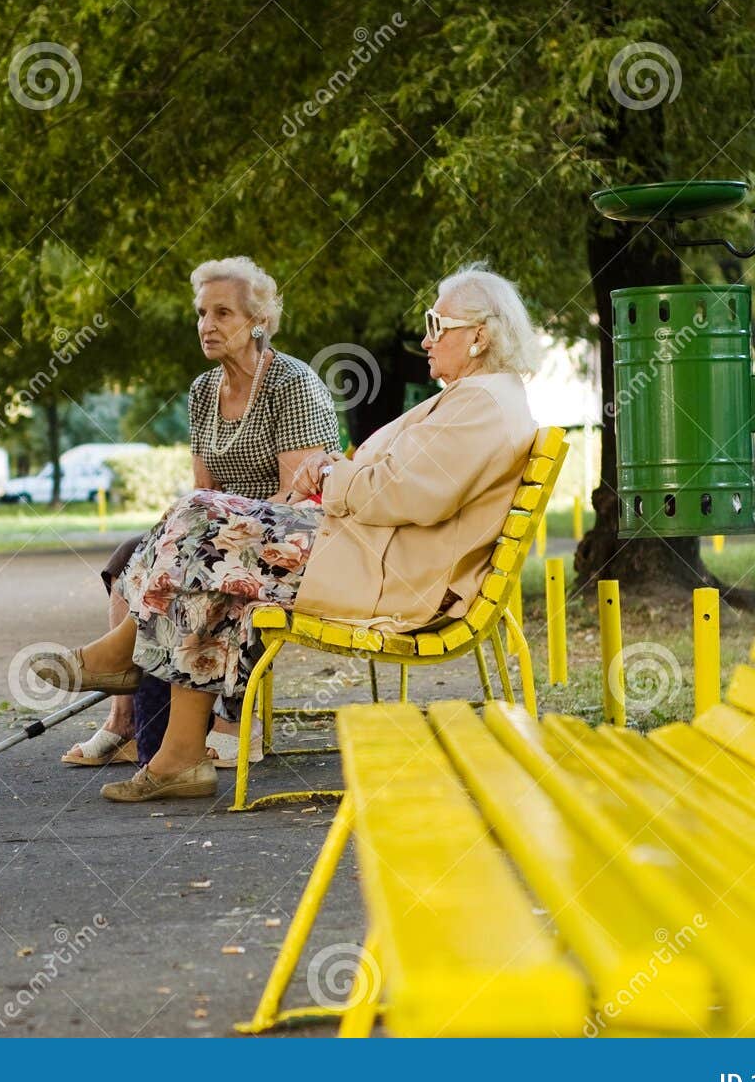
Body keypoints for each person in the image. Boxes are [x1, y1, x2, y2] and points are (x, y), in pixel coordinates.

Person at [28, 262, 542, 802]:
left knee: (201, 525)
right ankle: (178, 756)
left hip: (389, 574)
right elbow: (408, 486)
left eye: (437, 324)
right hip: (373, 553)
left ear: (479, 335)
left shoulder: (481, 404)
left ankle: (121, 660)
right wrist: (335, 477)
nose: (425, 338)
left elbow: (409, 494)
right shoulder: (478, 398)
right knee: (204, 548)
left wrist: (328, 473)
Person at [59, 256, 340, 769]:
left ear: (258, 322)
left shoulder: (292, 383)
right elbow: (202, 486)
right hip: (213, 525)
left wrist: (215, 523)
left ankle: (217, 719)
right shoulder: (202, 391)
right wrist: (193, 526)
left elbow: (301, 498)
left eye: (223, 314)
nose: (207, 326)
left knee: (206, 568)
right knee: (132, 557)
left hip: (278, 531)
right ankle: (124, 721)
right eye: (201, 313)